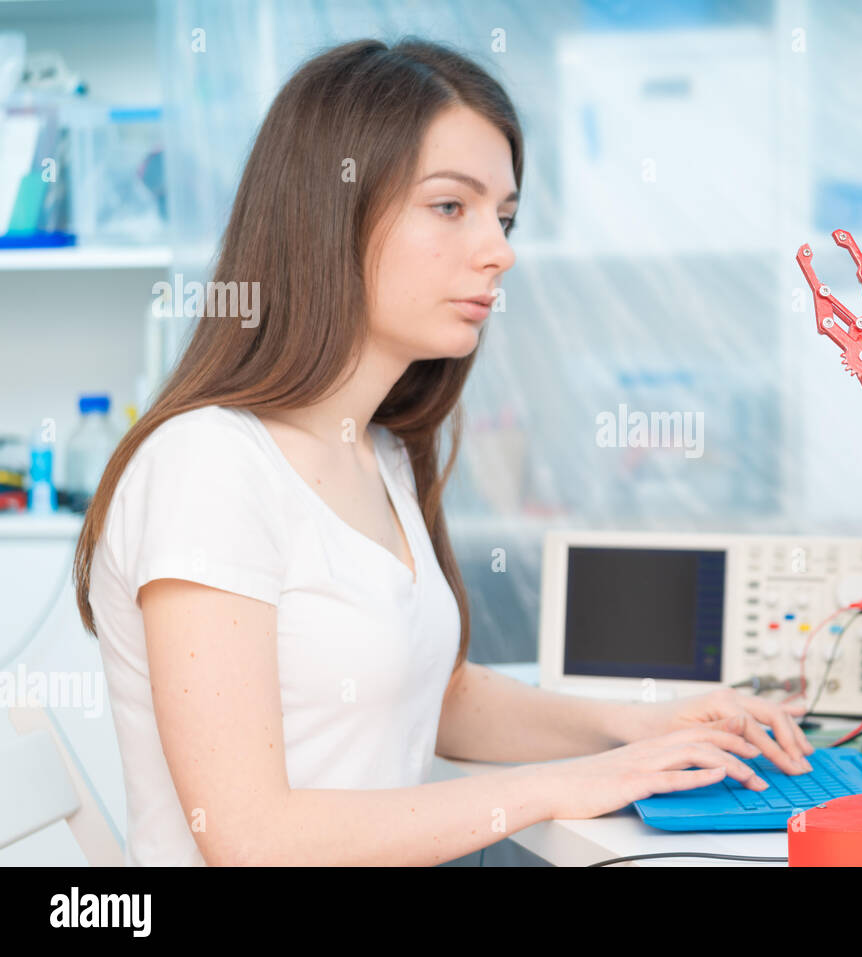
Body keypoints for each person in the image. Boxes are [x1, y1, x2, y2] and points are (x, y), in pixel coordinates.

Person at [73, 37, 813, 867]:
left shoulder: (380, 453)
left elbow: (434, 693)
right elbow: (253, 840)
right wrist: (564, 784)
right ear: (330, 208)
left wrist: (633, 724)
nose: (499, 249)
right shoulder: (206, 467)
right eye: (450, 207)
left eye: (504, 216)